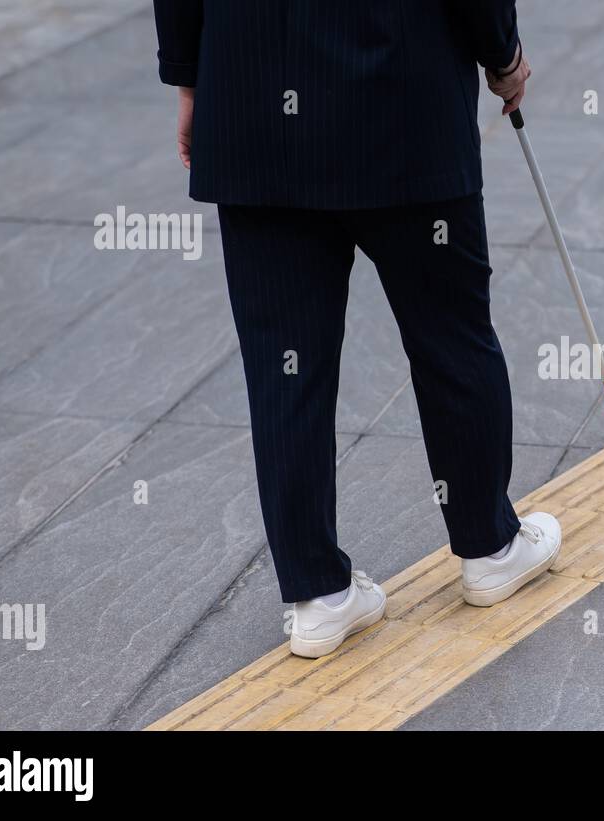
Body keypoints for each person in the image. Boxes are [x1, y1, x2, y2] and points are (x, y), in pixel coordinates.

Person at [152, 0, 561, 659]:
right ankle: (489, 546)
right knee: (449, 333)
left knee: (284, 361)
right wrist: (502, 51)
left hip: (253, 102)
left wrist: (190, 77)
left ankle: (316, 594)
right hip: (404, 96)